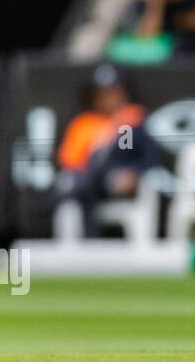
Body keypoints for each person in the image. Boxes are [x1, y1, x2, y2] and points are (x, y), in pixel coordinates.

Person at [52, 65, 164, 237]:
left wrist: (133, 173)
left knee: (86, 184)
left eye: (112, 92)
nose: (107, 98)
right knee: (76, 184)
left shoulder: (128, 122)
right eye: (102, 94)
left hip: (112, 181)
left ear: (123, 93)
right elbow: (70, 160)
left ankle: (91, 239)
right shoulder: (85, 123)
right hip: (86, 180)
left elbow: (143, 158)